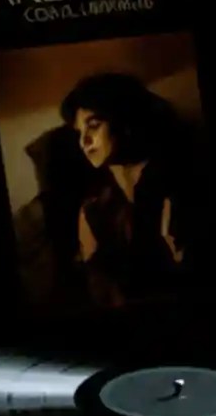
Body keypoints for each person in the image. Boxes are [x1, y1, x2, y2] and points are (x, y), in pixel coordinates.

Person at [58, 72, 197, 309]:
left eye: (94, 126)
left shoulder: (175, 181)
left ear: (123, 121)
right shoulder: (95, 208)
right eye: (79, 132)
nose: (84, 141)